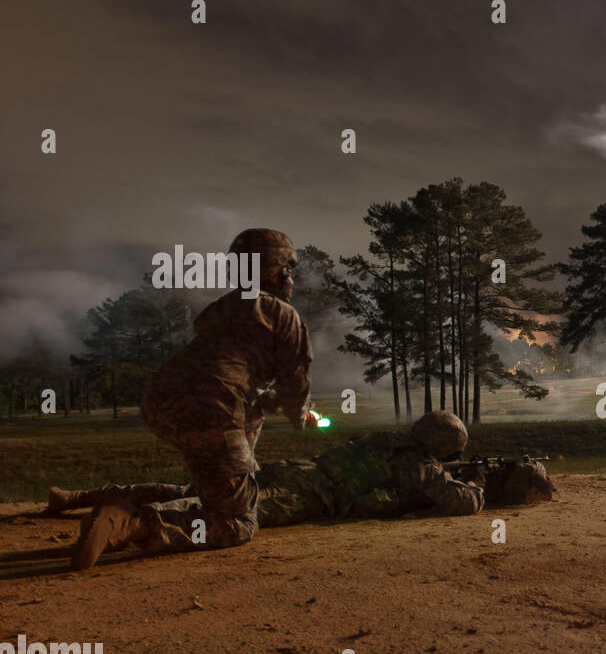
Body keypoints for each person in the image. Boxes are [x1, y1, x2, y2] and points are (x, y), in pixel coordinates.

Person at [72, 228, 313, 570]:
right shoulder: (283, 316)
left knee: (220, 473)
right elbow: (295, 385)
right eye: (288, 269)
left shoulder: (219, 311)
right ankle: (135, 525)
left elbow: (227, 370)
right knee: (238, 522)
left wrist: (262, 401)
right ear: (276, 270)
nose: (291, 279)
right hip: (215, 409)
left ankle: (118, 501)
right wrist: (299, 414)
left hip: (163, 401)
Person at [50, 413, 555, 562]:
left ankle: (85, 498)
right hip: (310, 495)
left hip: (295, 468)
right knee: (233, 517)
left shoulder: (387, 439)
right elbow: (460, 503)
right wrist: (481, 482)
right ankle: (138, 525)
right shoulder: (421, 466)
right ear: (444, 446)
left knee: (209, 486)